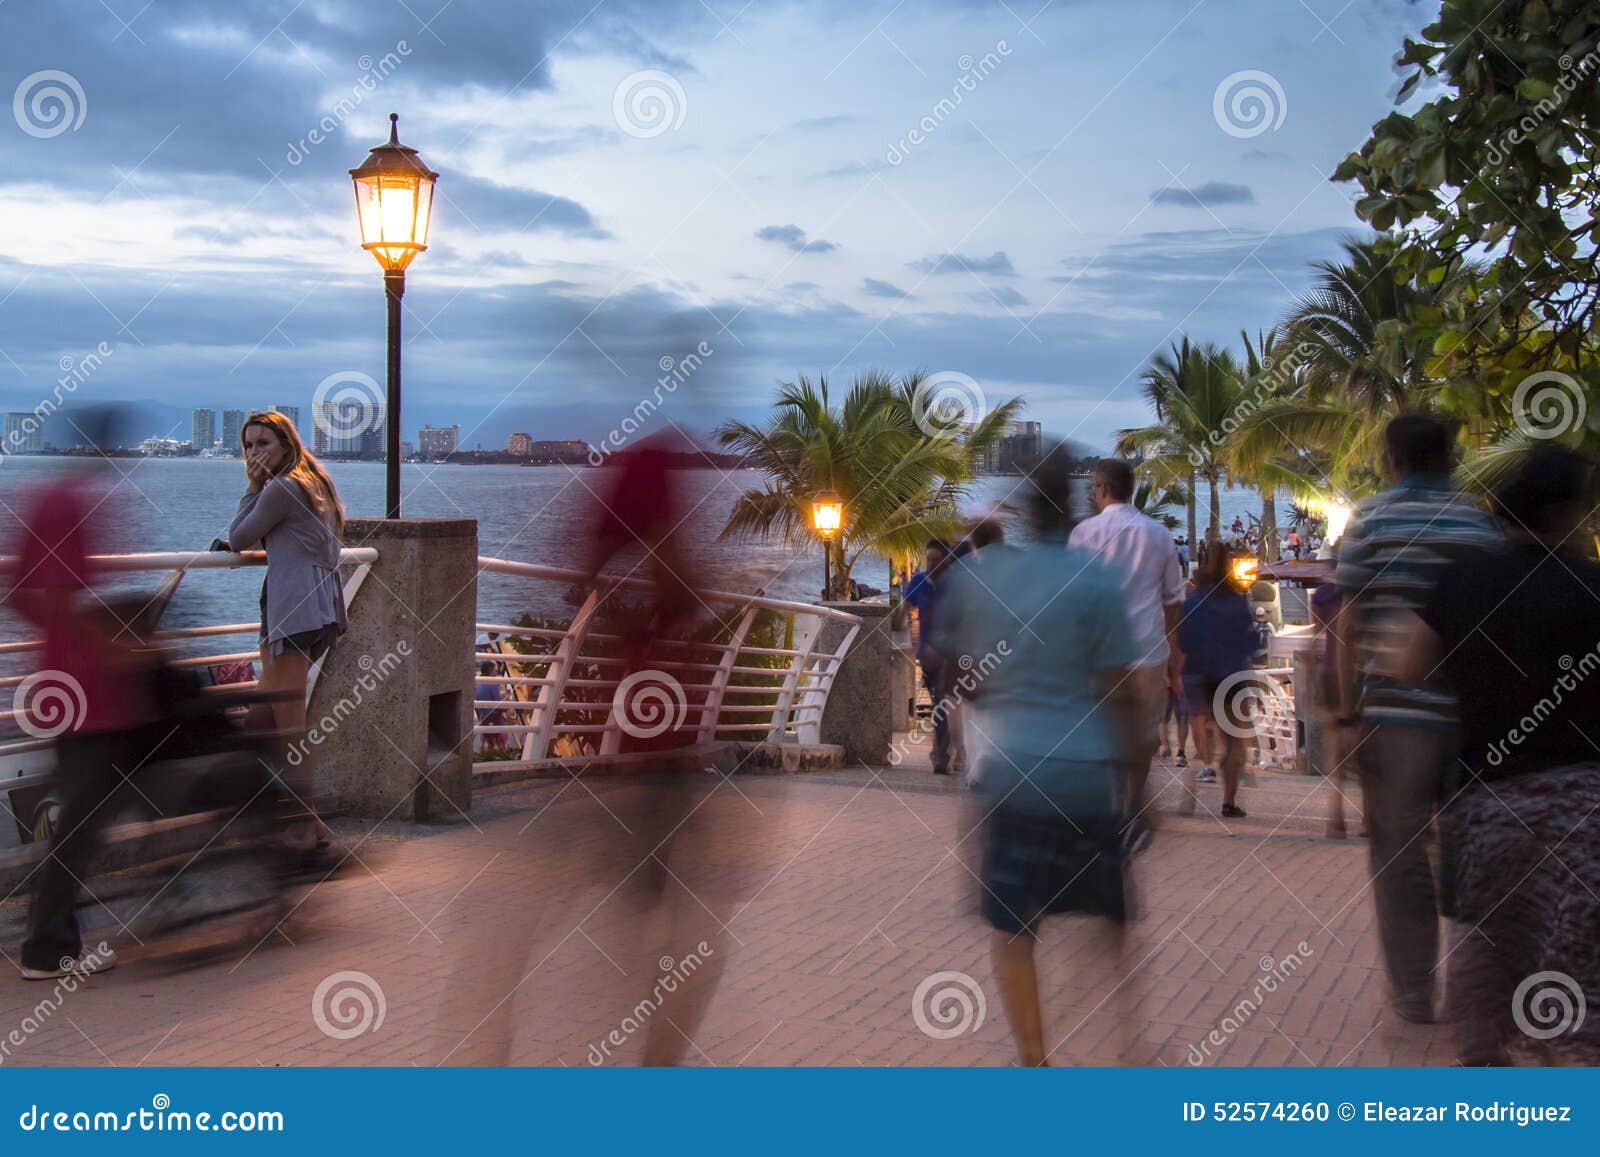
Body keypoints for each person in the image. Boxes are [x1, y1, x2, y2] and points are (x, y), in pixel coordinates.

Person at [934, 443, 1144, 1066]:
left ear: (1025, 506)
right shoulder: (1096, 579)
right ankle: (1129, 1047)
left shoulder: (986, 576)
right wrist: (1140, 789)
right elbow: (1122, 692)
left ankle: (1035, 1060)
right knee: (1111, 924)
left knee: (1013, 927)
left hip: (1015, 774)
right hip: (1085, 776)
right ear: (1077, 503)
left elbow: (962, 676)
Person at [1396, 448, 1600, 1064]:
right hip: (1583, 811)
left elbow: (1409, 666)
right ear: (1564, 512)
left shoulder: (1462, 578)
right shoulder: (1591, 587)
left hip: (1490, 808)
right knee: (1579, 978)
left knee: (1485, 950)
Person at [1333, 413, 1501, 1024]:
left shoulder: (1373, 519)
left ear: (1392, 457)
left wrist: (1347, 716)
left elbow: (1349, 624)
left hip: (1395, 716)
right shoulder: (1481, 526)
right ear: (1451, 457)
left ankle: (1413, 992)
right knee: (1470, 851)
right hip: (1470, 719)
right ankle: (1479, 986)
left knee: (1397, 854)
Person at [8, 421, 147, 979]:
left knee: (78, 816)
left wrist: (55, 639)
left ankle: (55, 941)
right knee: (83, 822)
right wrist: (113, 651)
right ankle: (48, 949)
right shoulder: (84, 506)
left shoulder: (42, 497)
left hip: (55, 684)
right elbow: (87, 597)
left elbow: (20, 589)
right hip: (95, 691)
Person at [222, 410, 348, 850]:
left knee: (290, 726)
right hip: (318, 609)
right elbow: (286, 538)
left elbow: (239, 537)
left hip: (292, 614)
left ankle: (309, 823)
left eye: (263, 444)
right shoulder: (314, 482)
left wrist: (253, 485)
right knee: (262, 722)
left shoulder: (278, 488)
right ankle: (255, 818)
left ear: (285, 443)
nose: (255, 453)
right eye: (249, 446)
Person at [1069, 459, 1183, 850]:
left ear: (1100, 488)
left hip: (1102, 654)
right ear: (1130, 489)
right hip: (1149, 650)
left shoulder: (1084, 533)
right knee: (1146, 733)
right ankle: (1133, 802)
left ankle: (1113, 802)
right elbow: (1172, 602)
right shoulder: (1159, 535)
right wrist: (1176, 658)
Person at [1175, 547, 1257, 818]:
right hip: (1231, 674)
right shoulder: (1237, 602)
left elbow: (1183, 641)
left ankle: (1193, 784)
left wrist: (1175, 672)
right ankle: (1229, 801)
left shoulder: (1192, 602)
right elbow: (1250, 643)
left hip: (1198, 672)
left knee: (1198, 726)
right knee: (1234, 740)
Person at [1311, 558, 1361, 839]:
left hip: (1329, 672)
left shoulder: (1322, 594)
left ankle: (1336, 817)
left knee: (1334, 749)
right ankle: (1366, 821)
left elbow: (1315, 630)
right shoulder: (1360, 592)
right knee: (1363, 747)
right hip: (1358, 674)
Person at [904, 540, 956, 775]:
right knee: (941, 705)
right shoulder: (919, 581)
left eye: (936, 559)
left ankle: (943, 755)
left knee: (947, 705)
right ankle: (943, 754)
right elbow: (905, 610)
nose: (931, 564)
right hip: (929, 655)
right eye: (929, 559)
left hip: (954, 653)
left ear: (946, 560)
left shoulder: (956, 584)